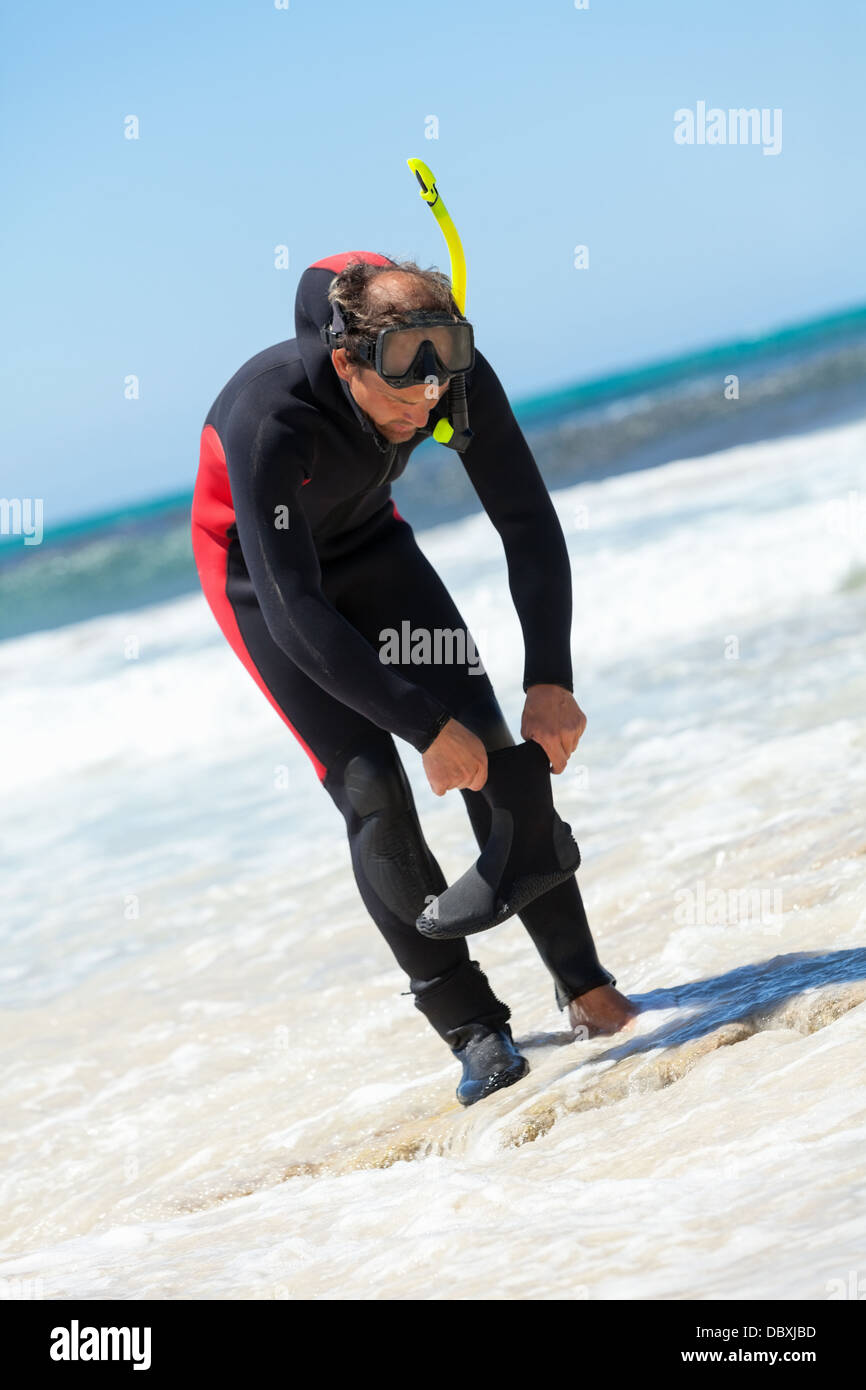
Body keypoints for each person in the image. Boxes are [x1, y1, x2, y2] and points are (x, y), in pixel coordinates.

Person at [191, 250, 638, 1107]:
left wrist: (550, 675)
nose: (425, 404)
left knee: (497, 753)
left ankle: (586, 990)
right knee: (374, 792)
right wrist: (420, 726)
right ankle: (475, 1032)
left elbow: (527, 522)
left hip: (375, 553)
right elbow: (293, 608)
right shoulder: (269, 416)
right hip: (268, 589)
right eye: (401, 395)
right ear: (348, 359)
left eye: (437, 388)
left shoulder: (449, 368)